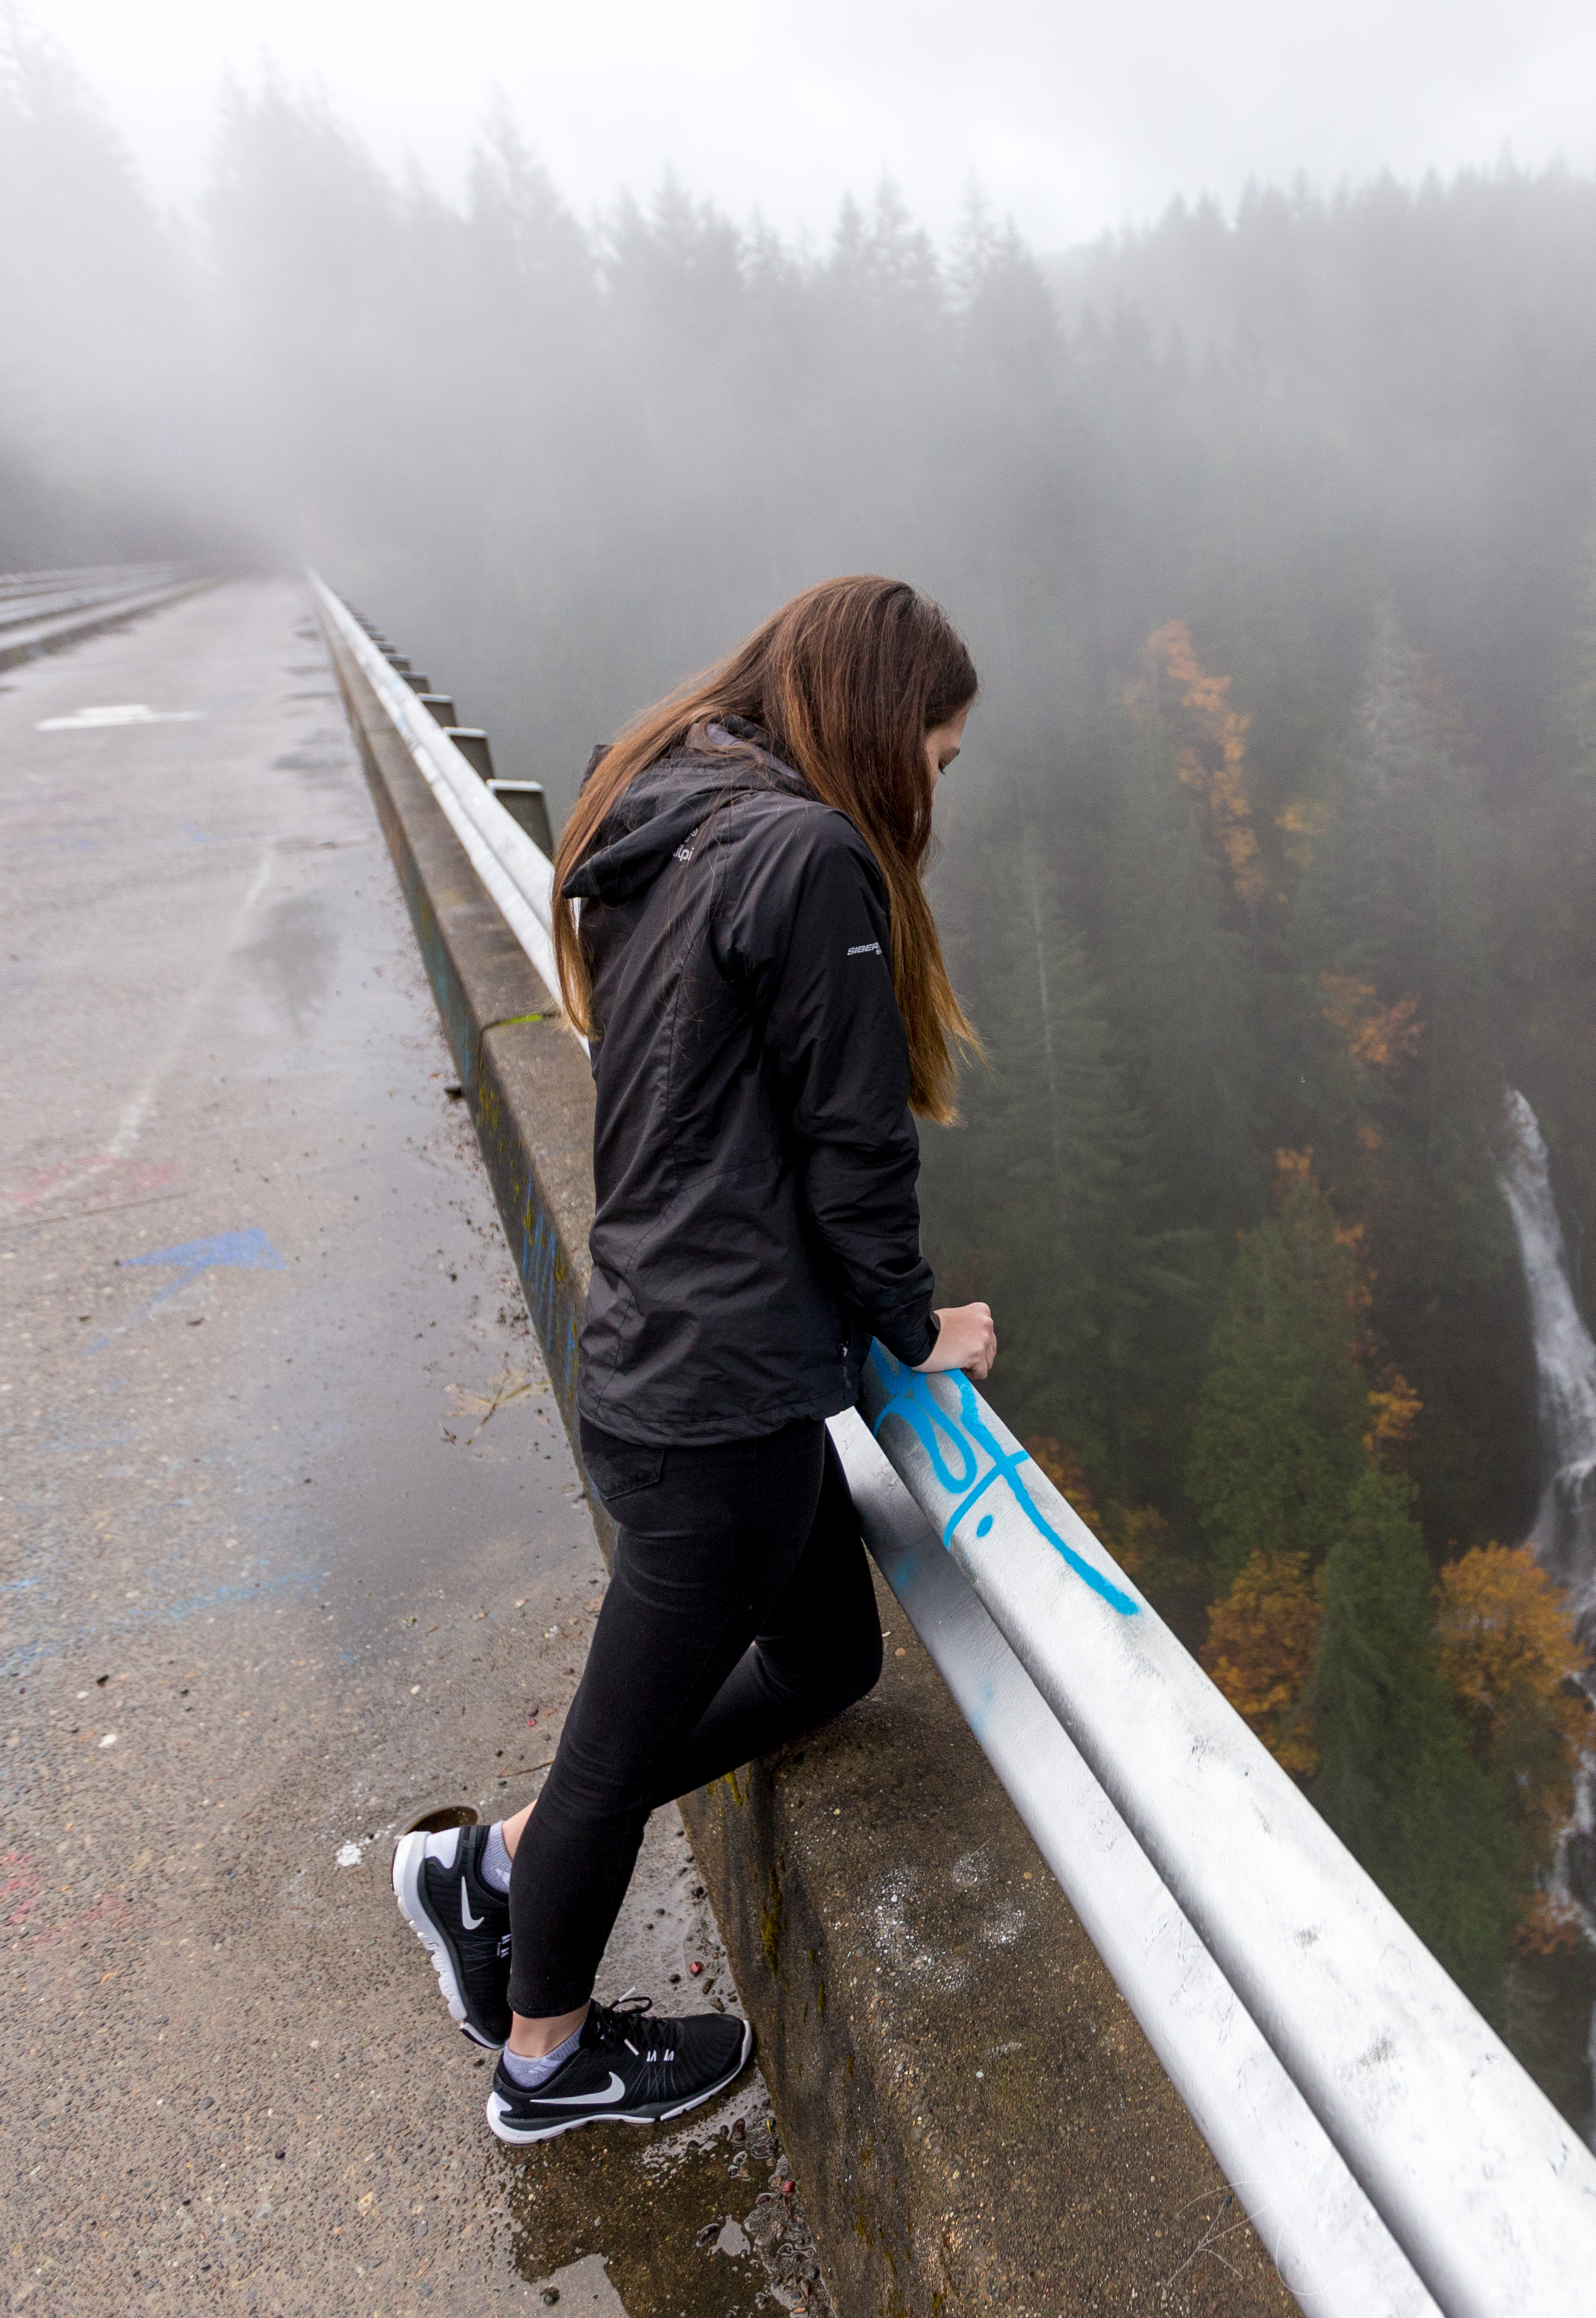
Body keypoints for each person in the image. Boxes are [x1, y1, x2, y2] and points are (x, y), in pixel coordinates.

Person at [393, 575, 997, 2143]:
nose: (941, 784)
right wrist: (922, 1326)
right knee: (618, 1749)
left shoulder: (674, 813)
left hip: (683, 1348)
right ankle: (547, 2059)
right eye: (939, 750)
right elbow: (852, 1147)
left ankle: (490, 1873)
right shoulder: (803, 856)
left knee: (826, 1661)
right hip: (718, 1402)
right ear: (882, 726)